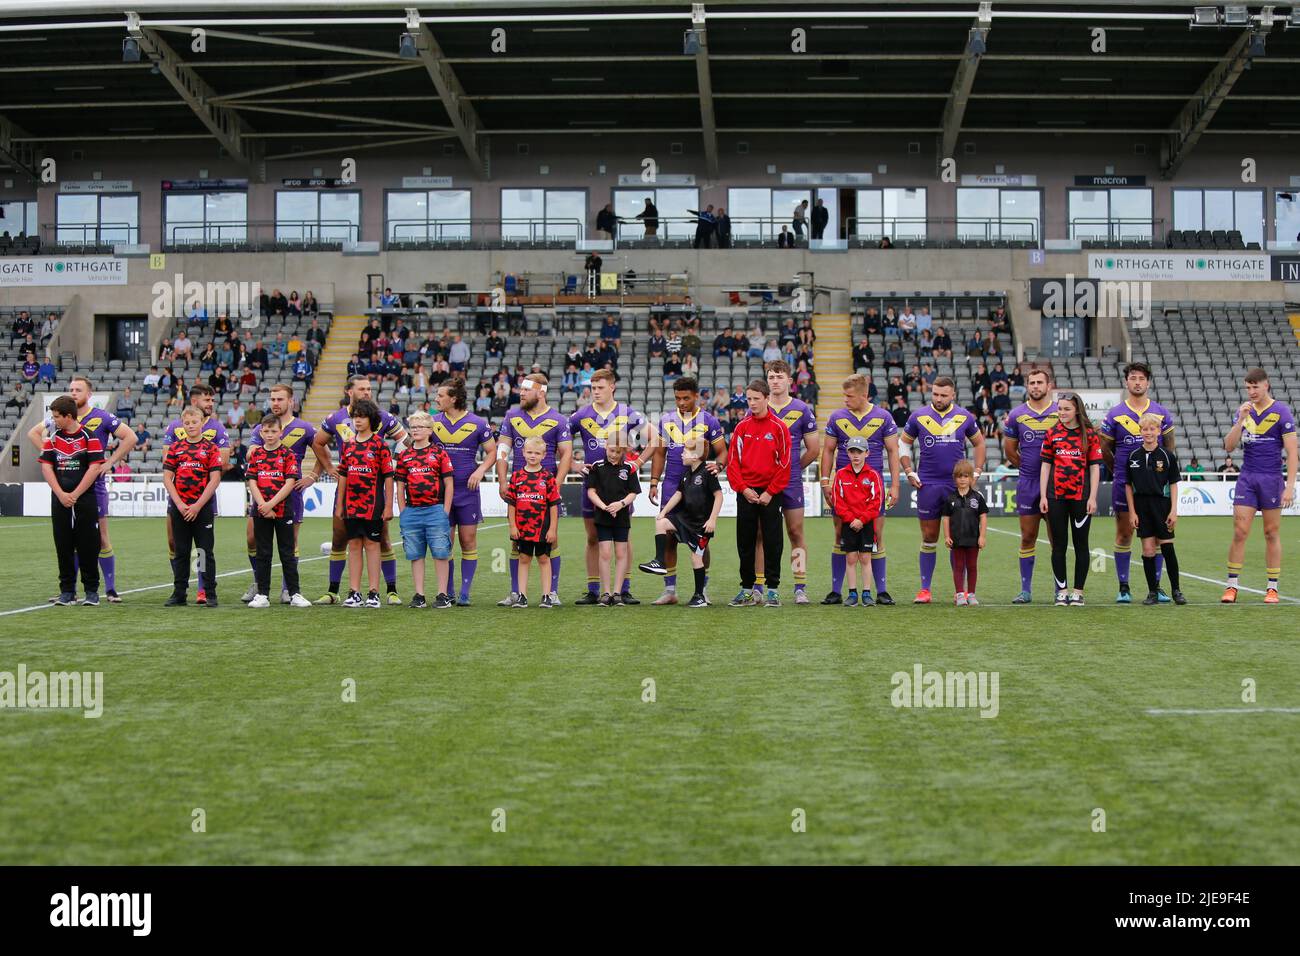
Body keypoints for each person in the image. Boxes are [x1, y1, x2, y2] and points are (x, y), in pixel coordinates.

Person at [27, 375, 137, 603]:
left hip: (92, 485)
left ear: (89, 394)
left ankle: (110, 589)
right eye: (71, 389)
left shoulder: (101, 417)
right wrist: (54, 457)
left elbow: (130, 437)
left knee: (100, 537)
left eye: (78, 389)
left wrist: (110, 462)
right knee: (68, 538)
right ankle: (70, 591)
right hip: (67, 482)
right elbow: (32, 434)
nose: (74, 392)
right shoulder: (58, 417)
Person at [312, 376, 410, 605]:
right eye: (362, 388)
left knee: (382, 539)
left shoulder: (383, 417)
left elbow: (405, 440)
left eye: (369, 388)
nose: (367, 392)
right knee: (341, 538)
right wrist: (329, 468)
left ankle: (390, 590)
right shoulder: (336, 418)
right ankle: (334, 591)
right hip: (348, 491)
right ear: (349, 391)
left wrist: (392, 461)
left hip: (374, 493)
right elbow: (318, 442)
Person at [639, 377, 728, 605]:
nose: (681, 402)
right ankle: (670, 591)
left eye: (686, 398)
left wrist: (717, 466)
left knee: (700, 542)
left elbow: (722, 452)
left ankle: (702, 589)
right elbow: (659, 453)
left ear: (696, 396)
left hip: (698, 491)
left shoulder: (709, 421)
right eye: (678, 398)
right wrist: (653, 481)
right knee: (667, 537)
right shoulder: (667, 420)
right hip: (671, 486)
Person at [898, 377, 986, 604]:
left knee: (957, 539)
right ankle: (925, 590)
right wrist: (908, 470)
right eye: (935, 394)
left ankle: (961, 592)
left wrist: (976, 471)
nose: (938, 398)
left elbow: (979, 443)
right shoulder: (918, 416)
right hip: (927, 484)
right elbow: (904, 443)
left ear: (953, 395)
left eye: (943, 395)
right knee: (929, 536)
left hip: (955, 486)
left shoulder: (964, 417)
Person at [820, 374, 901, 605]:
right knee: (840, 536)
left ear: (864, 395)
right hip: (844, 489)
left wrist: (895, 485)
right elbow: (828, 451)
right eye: (844, 395)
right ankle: (837, 591)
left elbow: (894, 451)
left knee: (876, 537)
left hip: (872, 490)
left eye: (850, 396)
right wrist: (825, 481)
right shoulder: (836, 417)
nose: (845, 400)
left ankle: (881, 591)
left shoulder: (883, 417)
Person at [240, 384, 325, 604]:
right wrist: (252, 450)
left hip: (289, 494)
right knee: (253, 539)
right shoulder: (264, 427)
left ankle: (289, 589)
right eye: (272, 399)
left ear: (291, 401)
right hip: (263, 494)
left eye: (280, 399)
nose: (275, 403)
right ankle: (260, 583)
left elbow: (322, 452)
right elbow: (252, 453)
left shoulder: (304, 428)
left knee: (289, 544)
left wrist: (313, 476)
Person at [1099, 362, 1176, 603]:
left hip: (1156, 488)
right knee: (1124, 535)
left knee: (1159, 537)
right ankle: (1124, 587)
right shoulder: (1115, 414)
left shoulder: (1162, 413)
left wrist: (1161, 473)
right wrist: (1120, 471)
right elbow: (1104, 448)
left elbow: (1169, 447)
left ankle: (1157, 587)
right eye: (1133, 378)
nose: (1137, 382)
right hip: (1126, 485)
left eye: (1142, 378)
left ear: (1148, 382)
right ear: (1126, 382)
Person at [494, 373, 572, 607]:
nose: (522, 393)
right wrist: (502, 480)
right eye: (521, 389)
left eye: (527, 390)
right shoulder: (512, 415)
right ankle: (517, 592)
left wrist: (555, 486)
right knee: (516, 541)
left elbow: (566, 453)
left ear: (541, 392)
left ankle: (552, 593)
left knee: (551, 542)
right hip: (520, 490)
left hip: (544, 491)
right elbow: (502, 450)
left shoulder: (559, 419)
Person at [569, 369, 646, 606]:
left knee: (624, 539)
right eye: (593, 388)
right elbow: (557, 442)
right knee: (593, 538)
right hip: (592, 488)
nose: (596, 392)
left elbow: (655, 438)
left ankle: (624, 589)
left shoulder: (627, 413)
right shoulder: (581, 414)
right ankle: (594, 590)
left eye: (600, 388)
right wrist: (574, 463)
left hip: (621, 490)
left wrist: (637, 463)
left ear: (612, 387)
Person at [1221, 367, 1297, 604]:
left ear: (1266, 385)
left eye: (1255, 386)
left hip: (1272, 479)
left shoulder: (1281, 412)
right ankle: (1232, 586)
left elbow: (1293, 452)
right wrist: (1241, 420)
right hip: (1248, 478)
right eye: (1248, 387)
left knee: (1271, 533)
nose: (1252, 391)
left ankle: (1272, 588)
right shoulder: (1244, 412)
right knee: (1240, 531)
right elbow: (1229, 446)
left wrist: (1289, 485)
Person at [752, 361, 820, 604]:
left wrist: (790, 470)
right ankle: (759, 585)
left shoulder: (802, 409)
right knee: (760, 534)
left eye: (779, 377)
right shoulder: (759, 407)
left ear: (789, 380)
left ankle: (800, 586)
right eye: (771, 377)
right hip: (761, 481)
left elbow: (813, 449)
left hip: (790, 483)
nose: (775, 381)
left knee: (795, 532)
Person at [429, 379, 497, 606]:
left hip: (467, 491)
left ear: (454, 398)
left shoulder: (478, 423)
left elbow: (492, 452)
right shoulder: (433, 422)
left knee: (468, 541)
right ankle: (446, 592)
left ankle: (465, 593)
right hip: (440, 492)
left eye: (440, 395)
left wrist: (480, 471)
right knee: (444, 543)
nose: (436, 399)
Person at [726, 378, 791, 607]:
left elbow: (785, 464)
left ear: (766, 398)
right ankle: (746, 588)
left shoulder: (779, 427)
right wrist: (743, 489)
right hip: (746, 493)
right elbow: (733, 462)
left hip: (770, 494)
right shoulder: (741, 427)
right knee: (745, 541)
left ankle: (772, 589)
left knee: (773, 541)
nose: (752, 403)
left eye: (756, 399)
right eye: (749, 399)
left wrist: (770, 492)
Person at [1001, 367, 1059, 604]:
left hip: (1057, 485)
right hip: (1028, 483)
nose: (1035, 386)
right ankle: (1026, 590)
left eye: (1039, 382)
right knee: (1027, 536)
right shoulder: (1016, 414)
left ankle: (1060, 589)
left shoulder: (1061, 412)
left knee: (1057, 539)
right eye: (1031, 383)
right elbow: (1010, 450)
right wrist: (1027, 467)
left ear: (1049, 386)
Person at [1039, 393, 1102, 606]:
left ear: (1077, 410)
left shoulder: (1090, 435)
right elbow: (1046, 465)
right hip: (1055, 497)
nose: (1062, 413)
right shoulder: (1052, 434)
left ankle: (1078, 592)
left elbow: (1094, 468)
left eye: (1067, 409)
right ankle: (1062, 592)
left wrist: (1092, 497)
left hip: (1081, 498)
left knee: (1081, 545)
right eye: (1060, 409)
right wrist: (1043, 496)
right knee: (1059, 546)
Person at [40, 394, 104, 606]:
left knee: (88, 545)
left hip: (84, 500)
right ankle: (67, 591)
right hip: (60, 500)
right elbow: (46, 466)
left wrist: (75, 494)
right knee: (63, 545)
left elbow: (95, 467)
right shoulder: (53, 438)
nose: (54, 420)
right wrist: (60, 493)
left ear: (69, 416)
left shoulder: (89, 436)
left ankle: (91, 591)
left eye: (57, 416)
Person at [244, 415, 311, 609]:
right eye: (266, 431)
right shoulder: (256, 455)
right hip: (261, 512)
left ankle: (294, 593)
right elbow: (252, 481)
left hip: (283, 511)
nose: (270, 435)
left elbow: (290, 482)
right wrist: (262, 505)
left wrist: (272, 504)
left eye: (274, 431)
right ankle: (263, 595)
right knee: (263, 553)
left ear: (281, 432)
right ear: (261, 432)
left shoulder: (288, 454)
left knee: (287, 553)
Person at [335, 398, 395, 609]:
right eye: (354, 417)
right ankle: (354, 592)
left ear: (371, 419)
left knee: (371, 545)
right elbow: (343, 475)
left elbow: (388, 476)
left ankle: (373, 592)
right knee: (353, 545)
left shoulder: (380, 445)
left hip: (373, 505)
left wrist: (388, 506)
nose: (357, 421)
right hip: (351, 504)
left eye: (361, 416)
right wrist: (340, 504)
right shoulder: (348, 445)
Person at [162, 405, 223, 607]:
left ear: (202, 423)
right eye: (186, 423)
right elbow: (167, 477)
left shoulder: (210, 448)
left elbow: (214, 479)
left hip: (202, 508)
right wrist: (179, 504)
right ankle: (179, 592)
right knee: (181, 551)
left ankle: (209, 592)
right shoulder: (175, 448)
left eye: (194, 422)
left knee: (204, 552)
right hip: (180, 508)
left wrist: (197, 505)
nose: (190, 426)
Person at [395, 411, 455, 610]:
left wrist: (445, 510)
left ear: (430, 430)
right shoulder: (404, 455)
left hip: (435, 511)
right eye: (413, 427)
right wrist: (403, 510)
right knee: (415, 554)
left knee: (440, 553)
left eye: (420, 427)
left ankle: (442, 594)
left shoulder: (439, 453)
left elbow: (449, 483)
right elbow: (400, 485)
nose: (416, 430)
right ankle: (419, 594)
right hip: (412, 512)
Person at [1126, 414, 1187, 606]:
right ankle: (1152, 591)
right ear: (1140, 431)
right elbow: (1128, 485)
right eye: (1145, 429)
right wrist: (1132, 512)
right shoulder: (1133, 456)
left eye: (1152, 429)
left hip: (1162, 505)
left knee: (1167, 546)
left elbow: (1174, 483)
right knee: (1148, 549)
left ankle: (1176, 590)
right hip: (1141, 506)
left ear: (1159, 431)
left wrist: (1174, 510)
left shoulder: (1167, 456)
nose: (1149, 432)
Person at [503, 436, 561, 608]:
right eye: (529, 452)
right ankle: (522, 596)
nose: (533, 456)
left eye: (537, 453)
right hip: (522, 528)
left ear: (544, 455)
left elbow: (554, 506)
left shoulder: (548, 477)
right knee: (524, 558)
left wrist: (552, 529)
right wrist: (512, 526)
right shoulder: (516, 477)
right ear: (522, 453)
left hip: (542, 528)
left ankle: (546, 595)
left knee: (544, 559)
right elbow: (511, 504)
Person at [583, 441, 641, 606]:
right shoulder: (597, 466)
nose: (614, 454)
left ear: (623, 451)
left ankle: (617, 593)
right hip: (603, 516)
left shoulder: (629, 468)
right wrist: (604, 507)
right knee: (605, 553)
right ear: (606, 447)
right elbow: (591, 491)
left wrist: (621, 504)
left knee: (621, 553)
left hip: (621, 517)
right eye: (611, 450)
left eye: (617, 452)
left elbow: (633, 493)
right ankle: (606, 593)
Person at [830, 436, 884, 608]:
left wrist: (861, 519)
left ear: (867, 453)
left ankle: (867, 593)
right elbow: (838, 501)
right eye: (852, 451)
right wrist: (851, 519)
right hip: (848, 524)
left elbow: (876, 502)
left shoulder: (873, 475)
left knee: (866, 558)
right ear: (847, 453)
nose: (856, 455)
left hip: (866, 524)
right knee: (851, 558)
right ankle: (852, 593)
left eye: (859, 452)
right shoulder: (840, 474)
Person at [942, 460, 989, 607]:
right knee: (959, 566)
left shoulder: (977, 497)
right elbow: (946, 518)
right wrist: (947, 536)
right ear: (955, 478)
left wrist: (982, 536)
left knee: (972, 566)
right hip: (957, 540)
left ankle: (972, 594)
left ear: (971, 478)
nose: (962, 479)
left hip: (973, 539)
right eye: (959, 476)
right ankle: (960, 594)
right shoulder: (950, 498)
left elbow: (983, 517)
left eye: (966, 476)